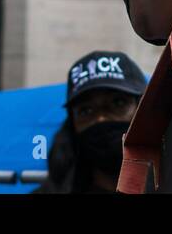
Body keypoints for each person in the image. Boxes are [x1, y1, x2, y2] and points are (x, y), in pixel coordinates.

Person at [33, 50, 148, 193]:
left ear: (143, 107)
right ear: (72, 123)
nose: (101, 119)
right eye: (86, 111)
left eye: (118, 103)